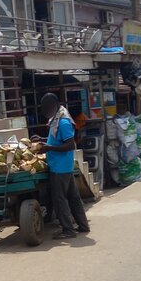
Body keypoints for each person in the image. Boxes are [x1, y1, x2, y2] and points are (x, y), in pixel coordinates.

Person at [33, 92, 89, 240]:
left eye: (46, 107)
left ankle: (68, 229)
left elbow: (70, 145)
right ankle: (83, 225)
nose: (44, 111)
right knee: (73, 197)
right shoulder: (56, 119)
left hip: (60, 168)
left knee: (60, 199)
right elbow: (57, 139)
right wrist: (43, 140)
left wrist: (49, 148)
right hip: (64, 166)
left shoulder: (63, 122)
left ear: (54, 105)